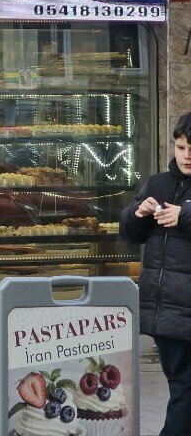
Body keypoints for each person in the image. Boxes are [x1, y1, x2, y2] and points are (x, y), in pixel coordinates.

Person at [120, 112, 191, 436]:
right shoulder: (159, 183)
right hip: (167, 308)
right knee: (183, 387)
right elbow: (130, 233)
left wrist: (185, 215)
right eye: (180, 147)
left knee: (184, 390)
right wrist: (139, 212)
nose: (186, 155)